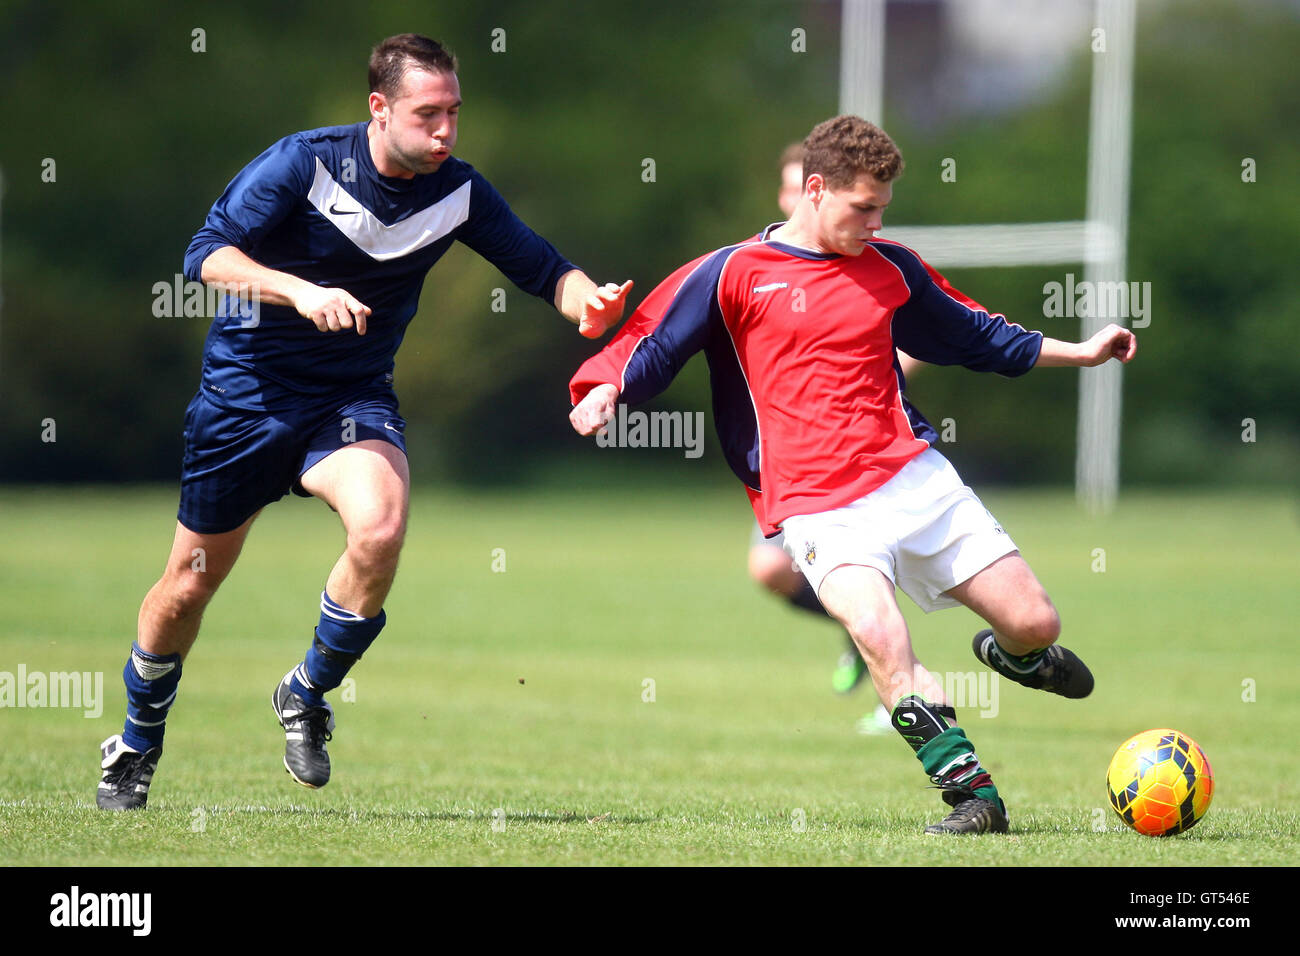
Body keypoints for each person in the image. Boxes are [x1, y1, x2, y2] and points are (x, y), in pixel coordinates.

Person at [96, 33, 631, 810]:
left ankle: (306, 690)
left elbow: (544, 269)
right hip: (245, 400)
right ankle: (137, 742)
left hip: (349, 401)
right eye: (428, 114)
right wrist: (298, 291)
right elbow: (204, 255)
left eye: (454, 112)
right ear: (379, 109)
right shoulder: (304, 163)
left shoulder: (460, 192)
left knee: (380, 529)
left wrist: (589, 302)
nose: (446, 130)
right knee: (186, 588)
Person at [570, 115, 1136, 834]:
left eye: (882, 209)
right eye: (862, 207)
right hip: (813, 505)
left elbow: (976, 333)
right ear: (814, 188)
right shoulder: (733, 272)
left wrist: (1082, 352)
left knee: (1036, 621)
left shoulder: (891, 268)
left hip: (915, 478)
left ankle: (1015, 656)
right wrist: (606, 387)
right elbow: (652, 339)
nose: (874, 222)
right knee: (877, 631)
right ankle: (972, 796)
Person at [753, 144, 926, 735]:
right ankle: (857, 635)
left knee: (869, 585)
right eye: (783, 188)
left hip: (859, 457)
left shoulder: (869, 263)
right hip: (782, 458)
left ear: (818, 187)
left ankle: (891, 676)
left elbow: (918, 336)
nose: (790, 197)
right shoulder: (754, 266)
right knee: (768, 570)